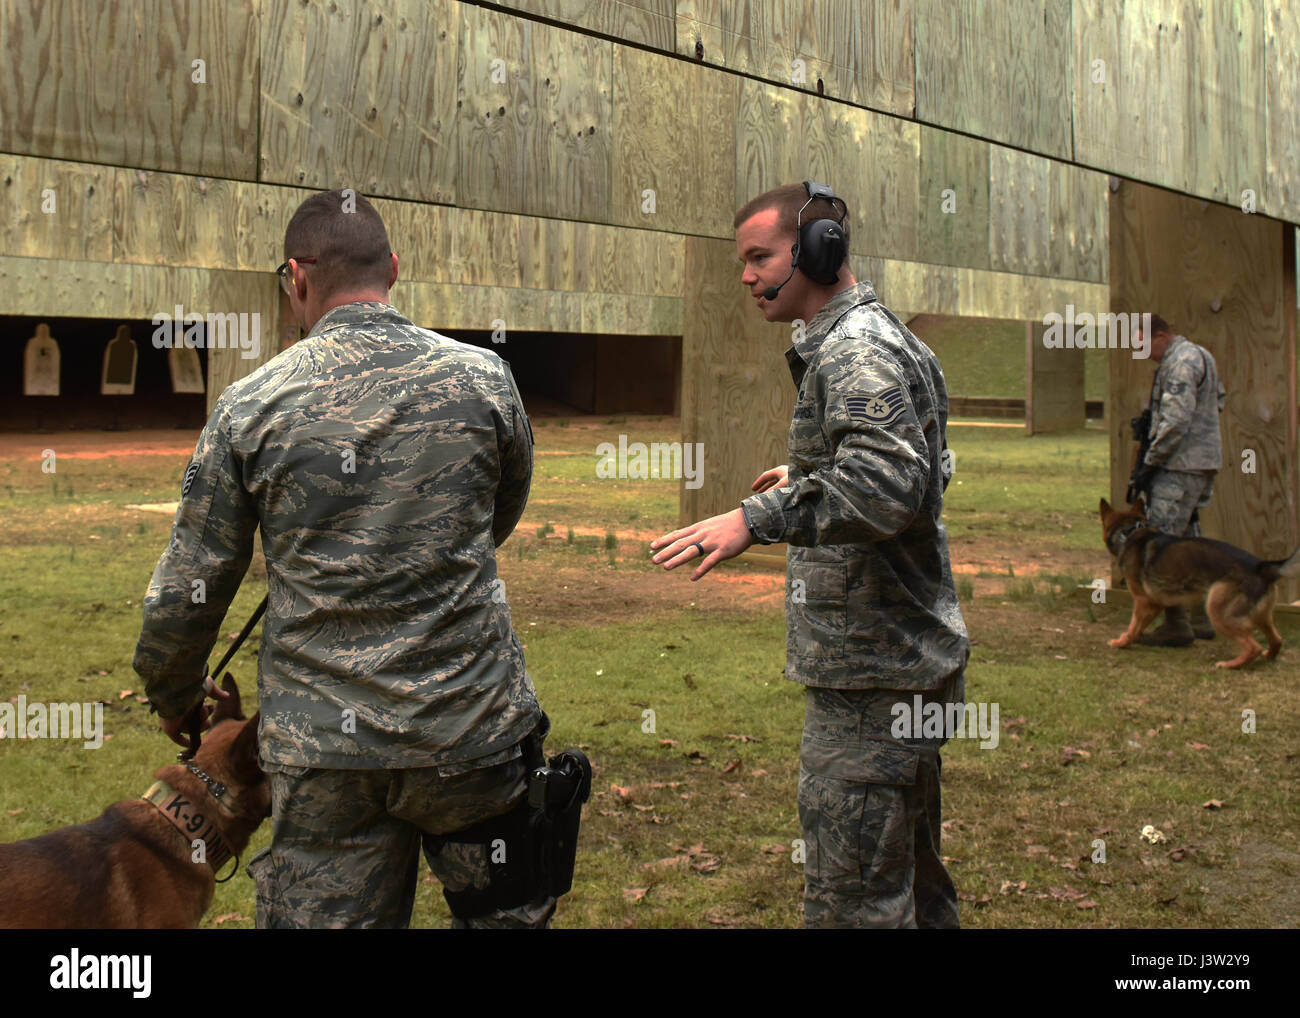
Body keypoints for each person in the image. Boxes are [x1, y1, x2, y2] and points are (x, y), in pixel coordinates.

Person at [132, 188, 553, 928]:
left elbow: (189, 589)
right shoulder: (483, 378)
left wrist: (175, 694)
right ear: (393, 267)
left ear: (295, 277)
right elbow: (498, 515)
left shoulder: (249, 405)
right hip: (471, 732)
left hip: (325, 753)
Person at [651, 182, 970, 928]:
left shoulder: (854, 350)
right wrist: (812, 475)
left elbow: (889, 488)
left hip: (873, 678)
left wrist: (754, 519)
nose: (746, 276)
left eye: (760, 256)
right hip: (903, 664)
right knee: (912, 882)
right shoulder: (882, 336)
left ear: (820, 250)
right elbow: (926, 466)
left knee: (854, 900)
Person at [1132, 314, 1226, 645]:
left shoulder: (1182, 361)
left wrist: (1151, 461)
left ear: (1160, 335)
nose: (1140, 351)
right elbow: (1219, 401)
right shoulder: (1200, 356)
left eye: (1142, 343)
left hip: (1178, 465)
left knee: (1162, 544)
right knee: (1188, 541)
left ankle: (1176, 624)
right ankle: (1200, 618)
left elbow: (1175, 419)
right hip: (1196, 463)